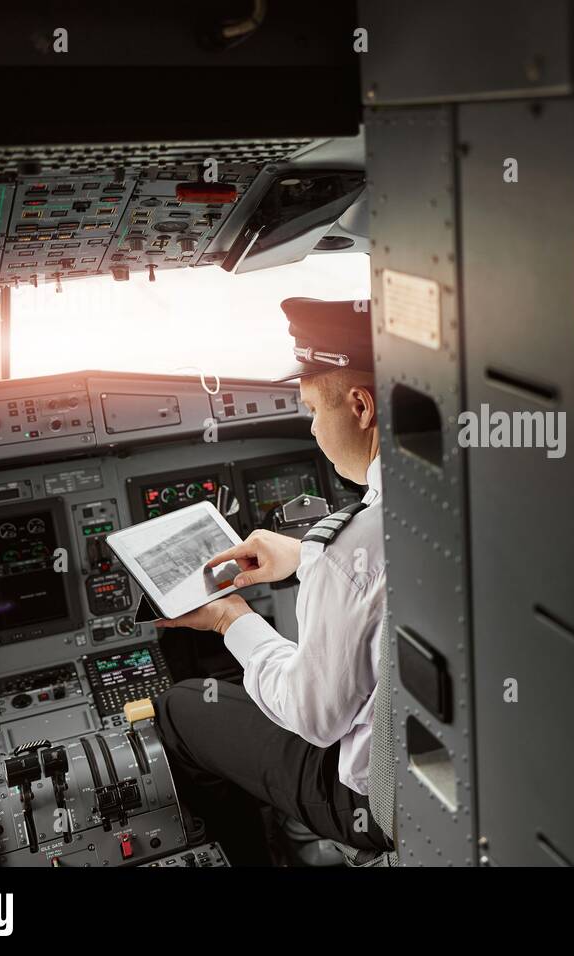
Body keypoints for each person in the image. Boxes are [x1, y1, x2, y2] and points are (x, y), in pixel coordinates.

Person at [152, 297, 390, 863]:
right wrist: (305, 557)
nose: (310, 428)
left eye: (312, 408)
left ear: (361, 405)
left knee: (183, 706)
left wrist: (232, 620)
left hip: (379, 797)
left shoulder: (350, 548)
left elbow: (314, 718)